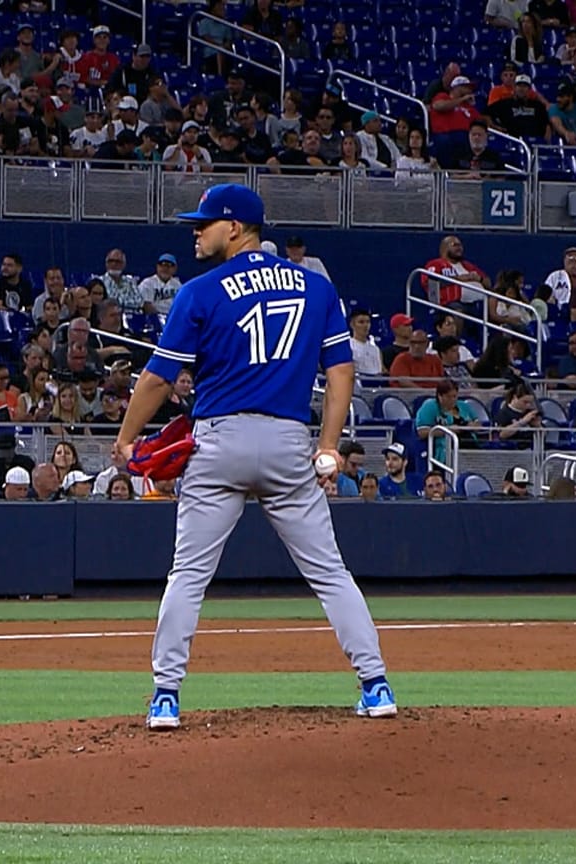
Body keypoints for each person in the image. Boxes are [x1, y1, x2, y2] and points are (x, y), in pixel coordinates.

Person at [111, 184, 393, 731]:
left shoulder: (200, 290)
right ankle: (376, 684)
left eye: (205, 223)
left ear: (235, 228)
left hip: (220, 442)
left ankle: (166, 696)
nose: (196, 231)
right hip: (289, 443)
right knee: (331, 573)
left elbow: (157, 378)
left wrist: (126, 439)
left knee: (188, 574)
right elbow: (341, 372)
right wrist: (329, 445)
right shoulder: (317, 288)